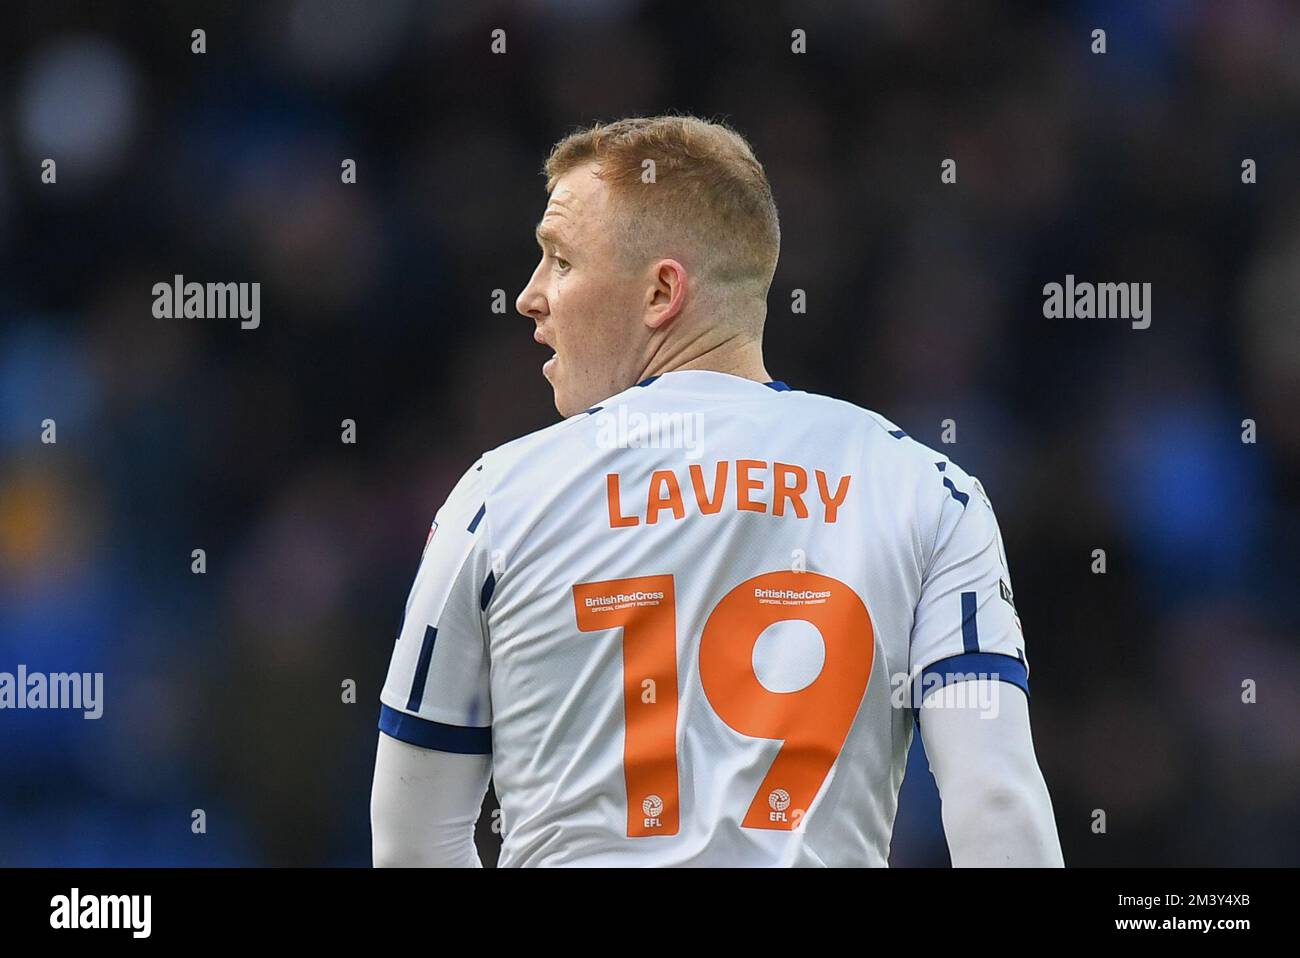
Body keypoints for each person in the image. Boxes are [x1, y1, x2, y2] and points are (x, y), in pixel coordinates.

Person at [370, 114, 1064, 867]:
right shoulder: (929, 493)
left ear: (662, 292)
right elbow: (996, 807)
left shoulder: (497, 498)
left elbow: (414, 842)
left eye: (560, 261)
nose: (529, 297)